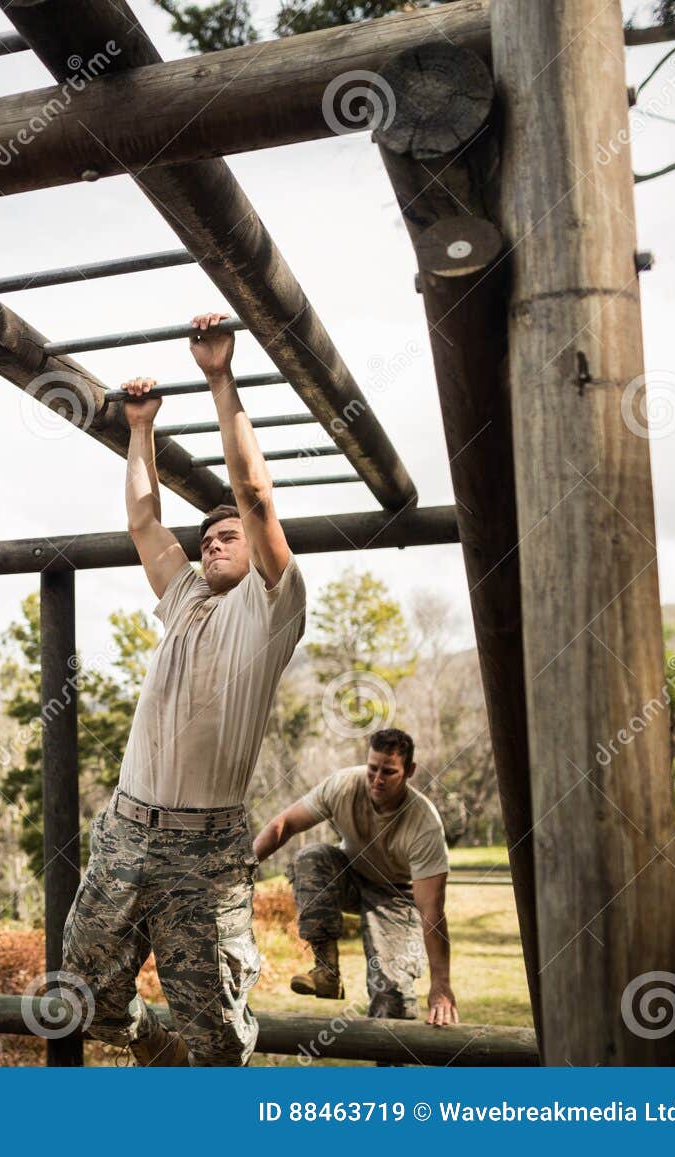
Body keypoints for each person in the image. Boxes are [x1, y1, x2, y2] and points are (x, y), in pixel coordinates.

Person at [61, 312, 308, 1066]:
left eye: (226, 537)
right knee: (83, 995)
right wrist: (140, 427)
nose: (212, 543)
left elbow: (255, 494)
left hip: (204, 850)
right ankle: (153, 1043)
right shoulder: (186, 600)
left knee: (216, 1033)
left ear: (256, 550)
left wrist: (218, 377)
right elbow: (144, 520)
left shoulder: (272, 606)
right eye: (206, 539)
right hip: (126, 827)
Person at [253, 728, 459, 1026]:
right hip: (350, 876)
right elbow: (284, 824)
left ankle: (390, 1052)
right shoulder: (343, 785)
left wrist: (441, 985)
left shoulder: (424, 824)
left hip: (396, 895)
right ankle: (326, 972)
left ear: (409, 771)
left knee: (390, 993)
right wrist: (243, 868)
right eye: (373, 768)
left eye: (389, 772)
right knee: (311, 857)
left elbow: (432, 912)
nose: (377, 779)